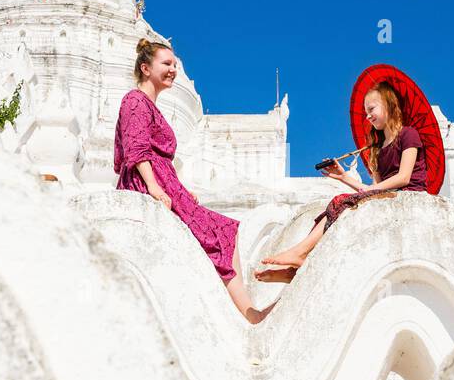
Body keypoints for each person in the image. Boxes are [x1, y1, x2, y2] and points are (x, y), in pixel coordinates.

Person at [115, 37, 272, 323]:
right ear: (146, 68)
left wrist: (181, 188)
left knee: (227, 230)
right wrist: (154, 188)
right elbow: (136, 149)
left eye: (174, 64)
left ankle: (247, 309)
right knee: (220, 232)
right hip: (150, 184)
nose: (173, 69)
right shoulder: (134, 101)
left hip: (167, 184)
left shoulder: (149, 105)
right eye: (166, 64)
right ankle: (248, 312)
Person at [256, 80, 427, 282]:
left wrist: (366, 193)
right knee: (329, 212)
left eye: (372, 109)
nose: (368, 116)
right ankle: (296, 269)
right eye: (366, 112)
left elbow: (403, 177)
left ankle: (299, 253)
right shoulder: (378, 151)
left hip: (408, 196)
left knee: (340, 201)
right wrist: (343, 176)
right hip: (388, 196)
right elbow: (373, 190)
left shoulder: (408, 134)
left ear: (389, 104)